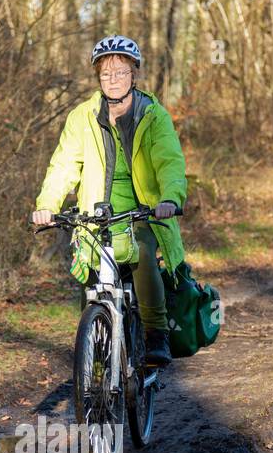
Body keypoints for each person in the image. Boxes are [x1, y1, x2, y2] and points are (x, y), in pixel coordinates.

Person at [31, 35, 189, 368]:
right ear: (98, 78)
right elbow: (64, 164)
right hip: (97, 212)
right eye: (106, 74)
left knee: (143, 252)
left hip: (142, 210)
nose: (113, 80)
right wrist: (48, 203)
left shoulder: (153, 115)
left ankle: (155, 333)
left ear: (134, 75)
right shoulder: (82, 116)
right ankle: (96, 355)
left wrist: (170, 198)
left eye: (120, 72)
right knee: (89, 276)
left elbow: (169, 163)